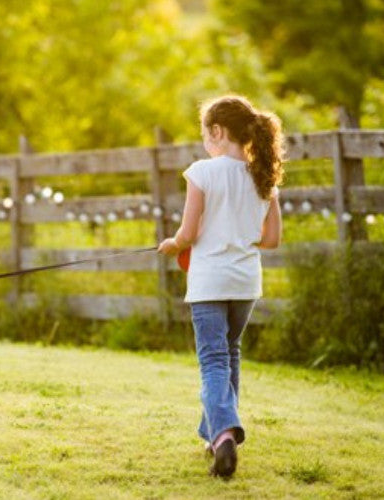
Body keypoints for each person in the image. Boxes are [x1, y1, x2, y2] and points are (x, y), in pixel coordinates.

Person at [157, 95, 284, 478]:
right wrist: (239, 236)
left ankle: (226, 436)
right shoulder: (263, 178)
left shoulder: (203, 172)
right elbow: (272, 239)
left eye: (204, 135)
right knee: (229, 354)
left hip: (210, 280)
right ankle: (212, 435)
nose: (203, 143)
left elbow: (189, 231)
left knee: (213, 361)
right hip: (245, 283)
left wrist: (173, 244)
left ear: (217, 131)